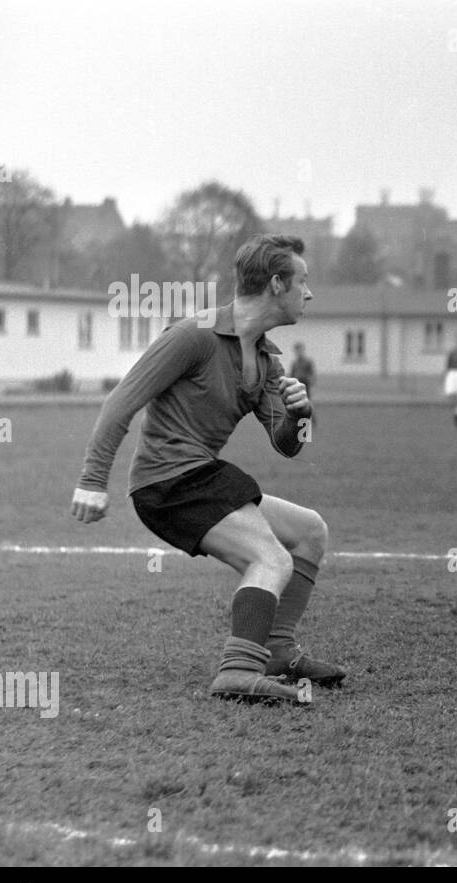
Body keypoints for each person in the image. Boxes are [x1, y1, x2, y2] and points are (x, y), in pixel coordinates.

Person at [70, 235, 345, 704]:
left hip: (200, 476)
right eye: (303, 281)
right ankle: (237, 672)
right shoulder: (193, 334)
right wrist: (93, 481)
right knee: (271, 558)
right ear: (277, 284)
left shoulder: (265, 359)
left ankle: (277, 652)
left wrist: (300, 414)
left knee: (309, 532)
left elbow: (286, 447)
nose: (310, 292)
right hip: (167, 483)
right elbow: (120, 403)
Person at [289, 341, 316, 426]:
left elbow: (311, 373)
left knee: (307, 402)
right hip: (297, 384)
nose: (298, 352)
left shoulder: (307, 362)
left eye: (299, 350)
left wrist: (311, 380)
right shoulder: (295, 363)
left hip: (305, 383)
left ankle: (312, 419)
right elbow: (292, 374)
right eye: (296, 350)